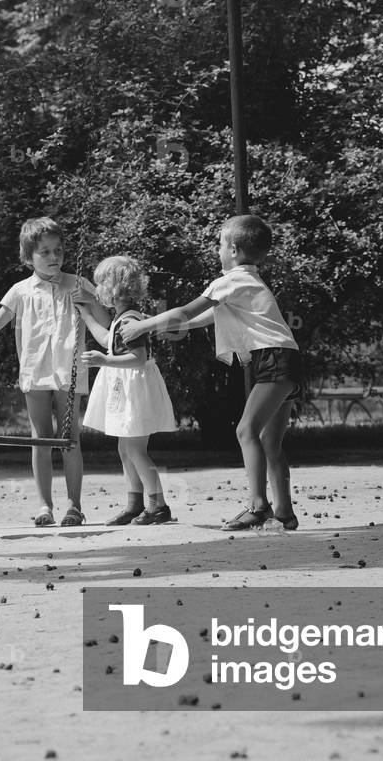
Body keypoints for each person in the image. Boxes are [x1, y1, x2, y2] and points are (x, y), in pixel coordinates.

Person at [119, 215, 303, 531]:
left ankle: (258, 506)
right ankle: (284, 513)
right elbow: (202, 318)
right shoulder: (248, 281)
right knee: (269, 441)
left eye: (219, 244)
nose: (217, 250)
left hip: (274, 359)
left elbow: (184, 311)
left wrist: (143, 326)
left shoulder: (229, 280)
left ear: (233, 250)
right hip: (287, 358)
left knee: (245, 431)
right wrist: (160, 325)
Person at [0, 217, 110, 527]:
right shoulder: (20, 291)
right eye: (44, 252)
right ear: (28, 257)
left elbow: (103, 321)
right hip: (35, 370)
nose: (53, 257)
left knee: (69, 437)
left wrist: (90, 299)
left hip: (68, 369)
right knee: (40, 438)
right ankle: (45, 505)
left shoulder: (78, 284)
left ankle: (74, 506)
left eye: (58, 250)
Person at [76, 255, 176, 525]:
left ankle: (158, 506)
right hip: (128, 389)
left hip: (136, 391)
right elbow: (108, 339)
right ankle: (135, 504)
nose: (98, 290)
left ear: (115, 288)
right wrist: (87, 315)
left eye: (101, 284)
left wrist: (104, 361)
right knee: (125, 449)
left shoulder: (130, 319)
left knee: (136, 450)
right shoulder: (122, 317)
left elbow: (139, 358)